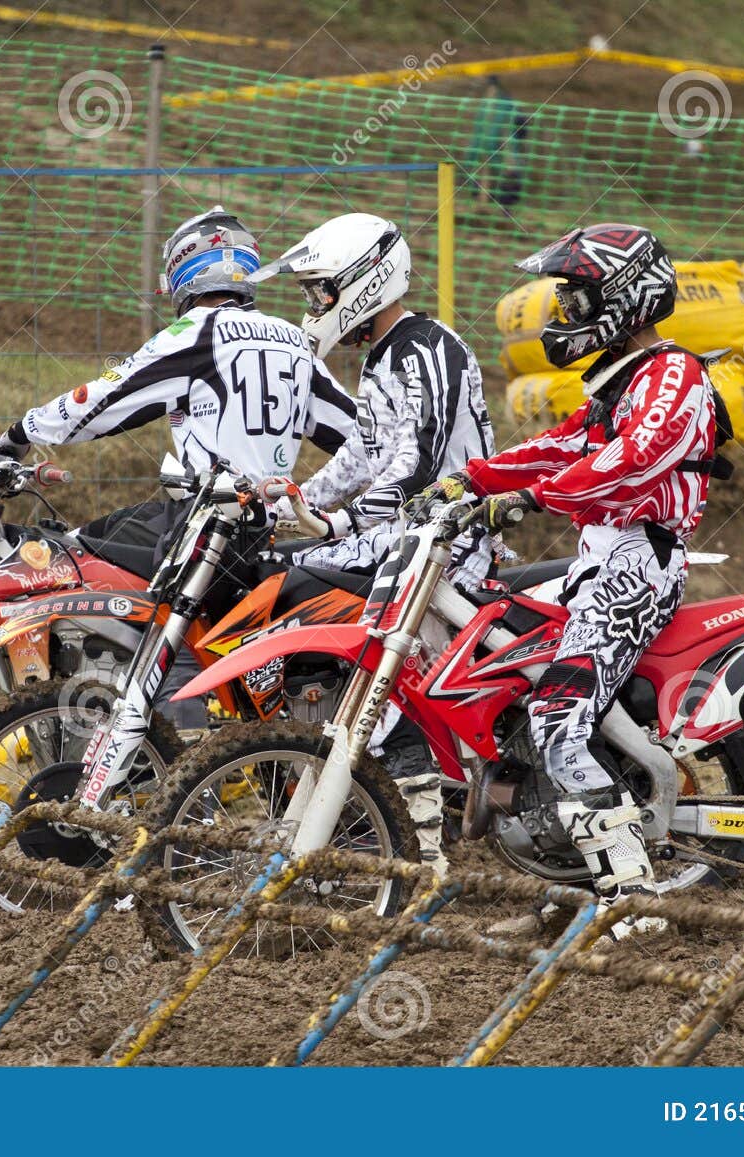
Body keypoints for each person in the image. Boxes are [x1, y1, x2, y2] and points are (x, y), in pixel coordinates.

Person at [414, 223, 724, 937]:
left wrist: (529, 498)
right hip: (598, 560)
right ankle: (574, 887)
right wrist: (468, 479)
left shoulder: (673, 373)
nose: (565, 310)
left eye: (576, 295)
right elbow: (561, 445)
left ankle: (636, 901)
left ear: (622, 297)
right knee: (522, 697)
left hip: (636, 568)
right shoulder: (622, 378)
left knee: (557, 719)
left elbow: (634, 460)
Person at [0, 206, 358, 725]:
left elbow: (102, 401)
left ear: (183, 270)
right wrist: (310, 501)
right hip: (260, 528)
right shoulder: (296, 340)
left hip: (207, 524)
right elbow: (358, 435)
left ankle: (177, 770)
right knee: (103, 538)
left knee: (162, 634)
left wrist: (22, 433)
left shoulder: (194, 332)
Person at [252, 212, 497, 873]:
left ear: (364, 282)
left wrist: (333, 525)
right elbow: (365, 453)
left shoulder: (426, 349)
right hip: (405, 542)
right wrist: (293, 497)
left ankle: (414, 826)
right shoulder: (384, 356)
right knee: (273, 567)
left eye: (320, 292)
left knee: (289, 584)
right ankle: (376, 779)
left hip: (448, 544)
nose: (314, 307)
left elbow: (412, 468)